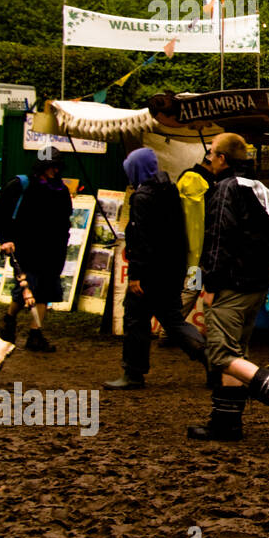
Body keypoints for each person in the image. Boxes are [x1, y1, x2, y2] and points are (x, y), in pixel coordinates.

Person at [189, 133, 269, 442]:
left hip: (232, 282)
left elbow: (218, 237)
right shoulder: (261, 189)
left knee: (220, 353)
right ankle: (226, 422)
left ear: (223, 159)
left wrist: (210, 283)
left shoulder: (225, 189)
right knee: (236, 351)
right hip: (256, 282)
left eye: (212, 153)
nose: (209, 159)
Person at [104, 147, 207, 389]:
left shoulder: (142, 197)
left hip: (149, 274)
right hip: (171, 271)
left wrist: (136, 275)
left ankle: (133, 373)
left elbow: (142, 240)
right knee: (173, 320)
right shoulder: (169, 190)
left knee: (135, 320)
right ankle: (212, 360)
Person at [0, 146, 72, 352]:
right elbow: (1, 213)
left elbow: (65, 218)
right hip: (26, 248)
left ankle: (35, 334)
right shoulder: (22, 185)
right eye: (51, 166)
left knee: (46, 290)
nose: (55, 171)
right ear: (42, 166)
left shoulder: (61, 190)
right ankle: (9, 321)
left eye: (57, 167)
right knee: (26, 289)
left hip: (52, 250)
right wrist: (5, 239)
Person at [176, 150, 218, 319]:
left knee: (191, 287)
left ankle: (170, 328)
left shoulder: (188, 177)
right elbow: (196, 222)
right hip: (199, 251)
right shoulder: (196, 180)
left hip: (193, 249)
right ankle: (171, 329)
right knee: (192, 287)